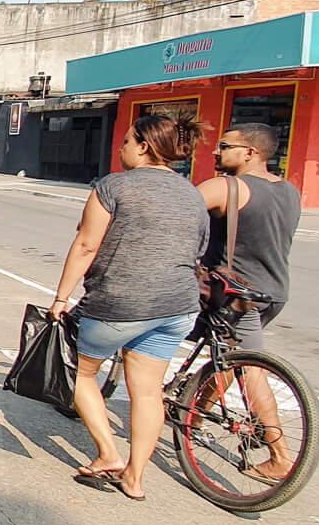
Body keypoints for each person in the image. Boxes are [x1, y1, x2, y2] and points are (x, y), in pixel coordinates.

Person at [47, 113, 209, 502]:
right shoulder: (193, 193)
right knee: (149, 393)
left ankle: (108, 455)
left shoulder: (114, 186)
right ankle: (134, 479)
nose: (120, 149)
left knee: (83, 374)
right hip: (177, 306)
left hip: (119, 304)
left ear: (144, 146)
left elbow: (86, 244)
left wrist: (60, 298)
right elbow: (198, 249)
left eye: (125, 142)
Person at [196, 121, 304, 478]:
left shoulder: (226, 187)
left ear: (250, 153)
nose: (217, 151)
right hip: (274, 291)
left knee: (248, 369)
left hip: (234, 295)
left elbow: (176, 212)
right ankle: (193, 412)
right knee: (229, 353)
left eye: (225, 146)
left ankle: (279, 456)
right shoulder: (289, 190)